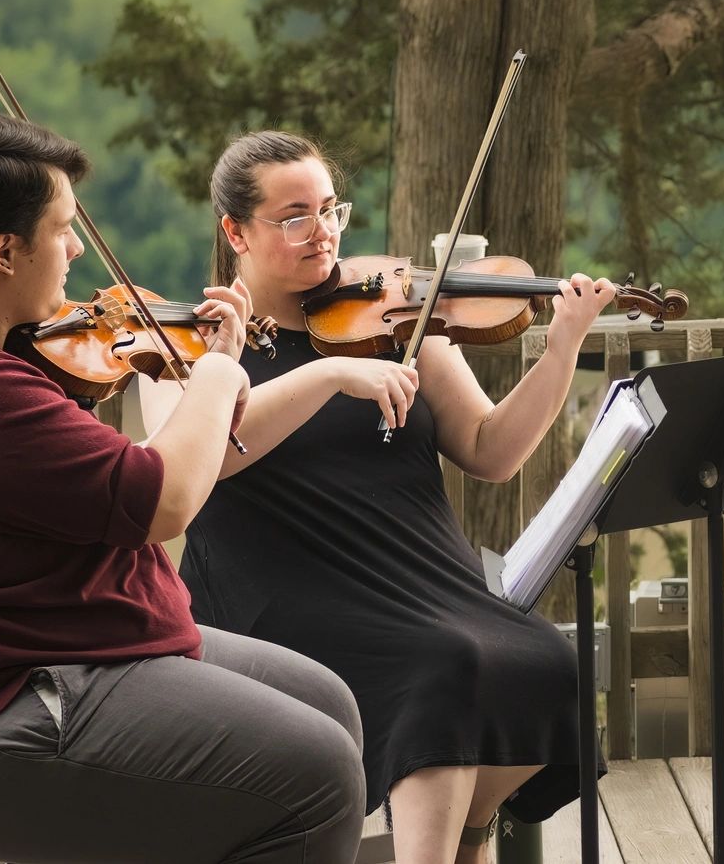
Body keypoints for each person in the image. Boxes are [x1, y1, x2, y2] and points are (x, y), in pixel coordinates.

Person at [0, 111, 367, 864]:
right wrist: (218, 369)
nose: (77, 249)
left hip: (52, 652)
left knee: (328, 702)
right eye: (63, 228)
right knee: (319, 773)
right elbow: (159, 497)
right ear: (4, 250)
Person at [169, 130, 618, 864]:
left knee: (545, 660)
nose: (324, 233)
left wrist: (563, 346)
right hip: (277, 592)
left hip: (419, 576)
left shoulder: (390, 319)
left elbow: (491, 449)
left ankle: (467, 838)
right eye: (294, 217)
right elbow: (204, 460)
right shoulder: (196, 343)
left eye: (330, 209)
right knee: (440, 668)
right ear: (234, 231)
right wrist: (327, 377)